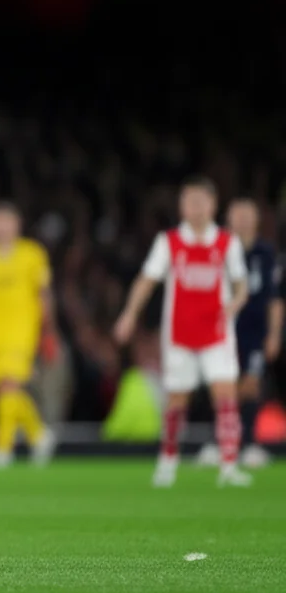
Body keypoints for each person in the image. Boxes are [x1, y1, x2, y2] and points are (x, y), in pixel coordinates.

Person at [114, 176, 252, 488]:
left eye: (200, 201)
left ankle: (229, 465)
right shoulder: (170, 242)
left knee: (226, 397)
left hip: (217, 332)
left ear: (213, 205)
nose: (194, 208)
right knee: (177, 401)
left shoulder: (226, 243)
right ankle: (168, 461)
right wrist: (129, 314)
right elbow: (146, 280)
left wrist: (237, 302)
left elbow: (241, 282)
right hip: (179, 334)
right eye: (188, 201)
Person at [0, 202, 58, 468]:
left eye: (7, 222)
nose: (2, 227)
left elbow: (44, 295)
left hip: (22, 329)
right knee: (2, 388)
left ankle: (3, 448)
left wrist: (48, 331)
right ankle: (39, 435)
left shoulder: (32, 254)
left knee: (10, 383)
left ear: (17, 225)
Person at [196, 198, 281, 468]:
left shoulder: (267, 254)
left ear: (257, 219)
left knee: (250, 386)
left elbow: (275, 299)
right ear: (228, 219)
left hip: (254, 333)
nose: (243, 220)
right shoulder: (217, 251)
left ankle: (249, 443)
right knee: (221, 385)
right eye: (238, 215)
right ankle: (217, 442)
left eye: (248, 214)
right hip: (222, 331)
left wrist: (275, 334)